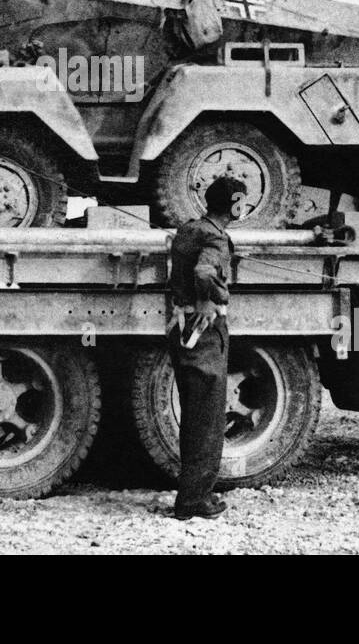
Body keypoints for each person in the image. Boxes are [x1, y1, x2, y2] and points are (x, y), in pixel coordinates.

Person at [165, 174, 246, 519]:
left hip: (182, 327)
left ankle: (192, 495)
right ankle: (194, 501)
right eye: (242, 200)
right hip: (205, 331)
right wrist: (218, 295)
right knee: (208, 420)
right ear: (234, 205)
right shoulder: (215, 237)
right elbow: (202, 273)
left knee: (195, 416)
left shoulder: (190, 229)